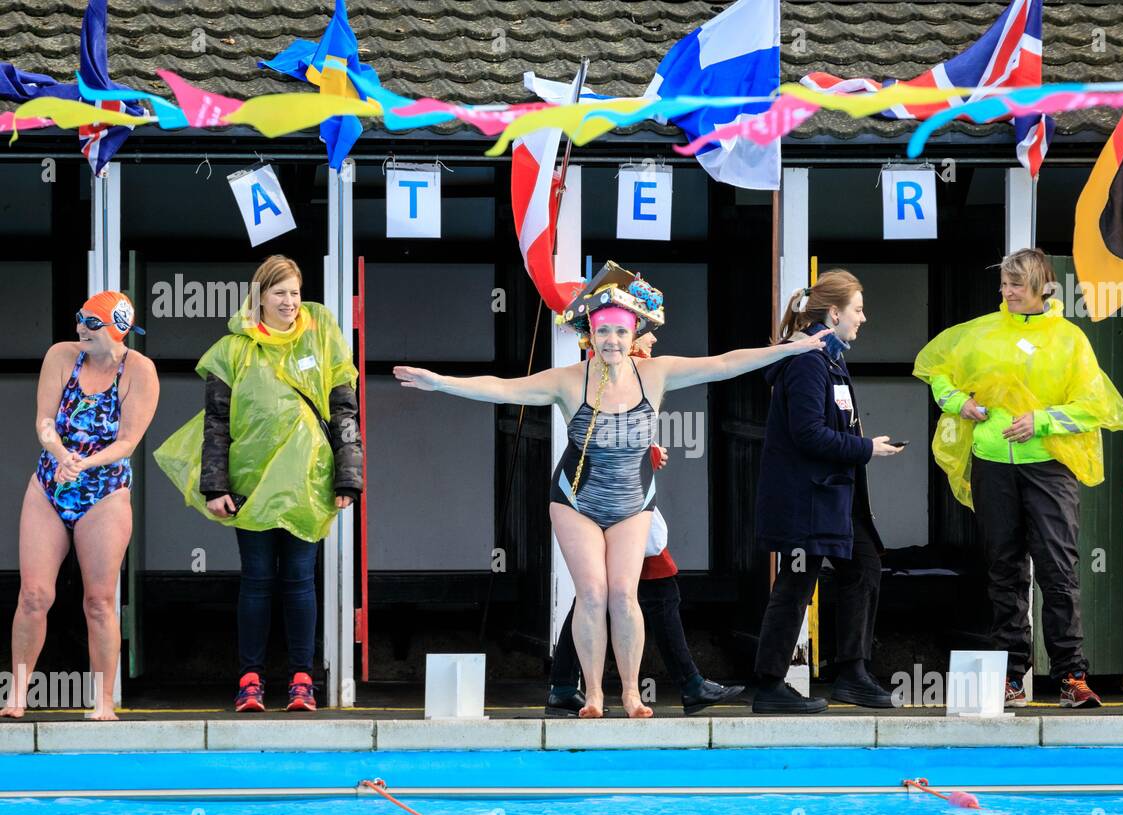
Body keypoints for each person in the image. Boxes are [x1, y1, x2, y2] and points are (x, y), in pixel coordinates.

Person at [396, 261, 829, 718]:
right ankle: (595, 695)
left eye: (621, 333)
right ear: (590, 334)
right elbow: (503, 389)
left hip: (632, 502)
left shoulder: (656, 374)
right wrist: (441, 383)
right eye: (603, 332)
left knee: (624, 594)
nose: (612, 342)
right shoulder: (568, 380)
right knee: (593, 593)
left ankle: (630, 693)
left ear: (634, 332)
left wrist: (788, 352)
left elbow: (724, 364)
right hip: (576, 501)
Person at [913, 248, 1123, 708]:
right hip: (992, 463)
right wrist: (960, 404)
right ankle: (1012, 676)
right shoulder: (981, 332)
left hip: (1049, 466)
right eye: (1004, 284)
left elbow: (1094, 407)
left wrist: (1041, 421)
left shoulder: (1069, 339)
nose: (1006, 292)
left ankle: (1072, 675)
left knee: (1057, 569)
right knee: (1004, 570)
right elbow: (937, 372)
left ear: (1041, 288)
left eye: (1015, 284)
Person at [154, 255, 363, 713]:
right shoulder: (232, 349)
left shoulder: (320, 332)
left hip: (308, 481)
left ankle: (302, 680)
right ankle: (250, 680)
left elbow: (343, 406)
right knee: (257, 580)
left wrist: (348, 475)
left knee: (299, 579)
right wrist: (214, 486)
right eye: (279, 293)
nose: (289, 302)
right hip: (250, 481)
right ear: (260, 296)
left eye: (294, 292)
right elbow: (217, 423)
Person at [547, 331, 744, 716]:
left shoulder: (647, 377)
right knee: (606, 593)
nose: (653, 341)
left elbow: (724, 364)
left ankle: (583, 685)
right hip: (591, 497)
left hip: (632, 500)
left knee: (614, 594)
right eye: (647, 336)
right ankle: (593, 687)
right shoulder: (596, 377)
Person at [1, 292, 159, 721]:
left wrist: (83, 462)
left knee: (99, 600)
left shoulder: (139, 371)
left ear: (115, 329)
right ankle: (16, 696)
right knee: (33, 595)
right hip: (50, 487)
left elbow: (127, 442)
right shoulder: (61, 357)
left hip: (104, 493)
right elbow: (44, 422)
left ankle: (103, 702)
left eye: (90, 323)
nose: (79, 330)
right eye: (78, 320)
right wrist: (59, 453)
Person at [751, 270, 902, 715]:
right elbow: (808, 435)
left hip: (834, 495)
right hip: (807, 499)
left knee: (864, 566)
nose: (864, 318)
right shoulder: (807, 360)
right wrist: (866, 448)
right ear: (834, 313)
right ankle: (770, 683)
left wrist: (861, 447)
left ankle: (852, 674)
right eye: (857, 309)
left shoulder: (828, 357)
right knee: (796, 585)